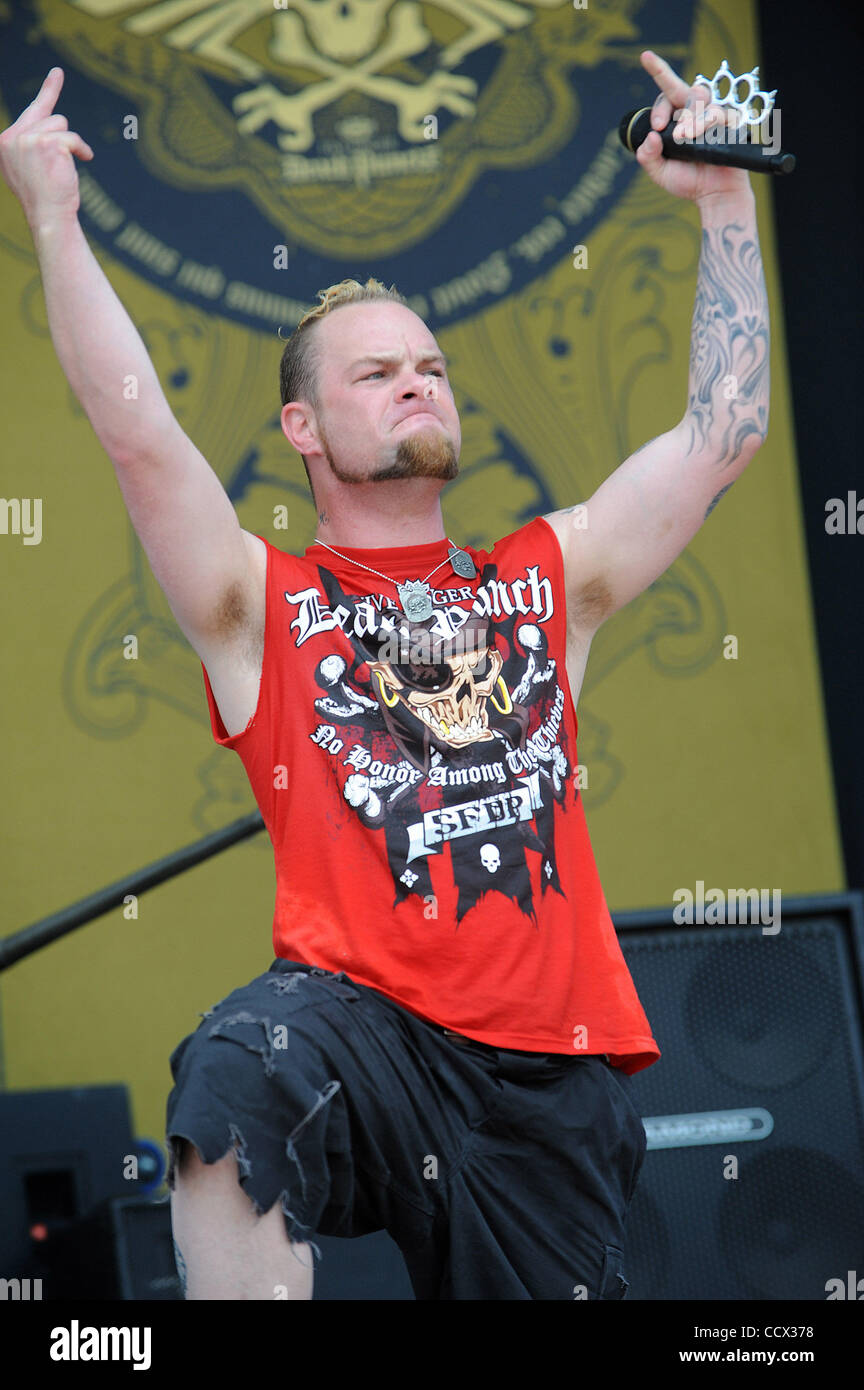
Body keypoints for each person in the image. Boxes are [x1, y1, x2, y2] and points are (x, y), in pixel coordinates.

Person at [0, 50, 769, 1301]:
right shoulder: (264, 607)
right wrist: (50, 215)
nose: (418, 377)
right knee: (232, 1077)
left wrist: (723, 199)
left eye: (430, 363)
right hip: (361, 1032)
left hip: (550, 1072)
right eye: (373, 371)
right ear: (302, 428)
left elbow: (724, 433)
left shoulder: (546, 575)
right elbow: (136, 427)